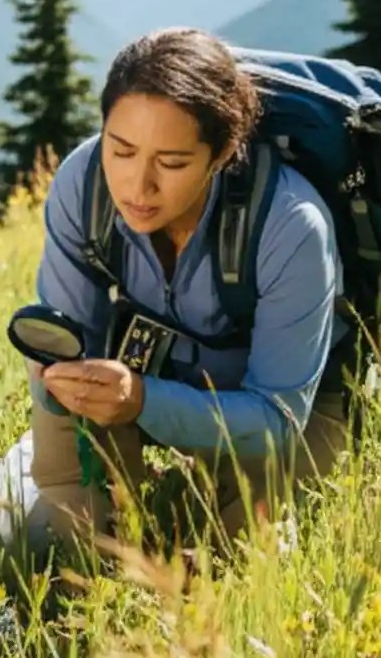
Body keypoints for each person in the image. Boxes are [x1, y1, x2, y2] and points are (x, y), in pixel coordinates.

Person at [24, 27, 358, 550]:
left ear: (222, 153)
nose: (138, 187)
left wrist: (141, 401)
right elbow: (64, 346)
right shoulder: (81, 186)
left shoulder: (291, 225)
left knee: (240, 553)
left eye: (173, 163)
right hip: (147, 376)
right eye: (122, 150)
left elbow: (278, 415)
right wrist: (68, 388)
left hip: (283, 405)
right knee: (66, 541)